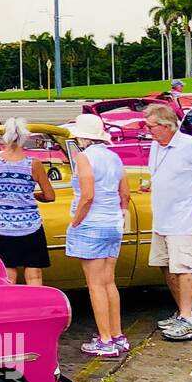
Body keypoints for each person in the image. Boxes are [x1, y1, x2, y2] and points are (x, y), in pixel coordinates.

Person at [144, 102, 192, 341]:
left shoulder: (190, 146)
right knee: (165, 266)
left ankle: (188, 318)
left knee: (183, 268)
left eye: (152, 127)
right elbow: (159, 174)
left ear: (167, 126)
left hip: (182, 219)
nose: (149, 131)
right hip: (162, 219)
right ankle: (182, 312)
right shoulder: (156, 147)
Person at [65, 113, 130, 357]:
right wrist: (120, 214)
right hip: (113, 223)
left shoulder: (84, 158)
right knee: (108, 282)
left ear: (82, 137)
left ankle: (104, 340)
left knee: (94, 285)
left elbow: (88, 195)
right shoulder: (114, 157)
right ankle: (117, 334)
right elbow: (125, 193)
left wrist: (75, 222)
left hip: (92, 224)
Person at [0, 116, 56, 284]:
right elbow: (50, 196)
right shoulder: (34, 164)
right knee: (34, 274)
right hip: (30, 225)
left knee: (8, 274)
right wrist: (29, 196)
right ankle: (36, 308)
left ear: (5, 137)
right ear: (24, 138)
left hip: (1, 226)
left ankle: (11, 308)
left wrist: (2, 196)